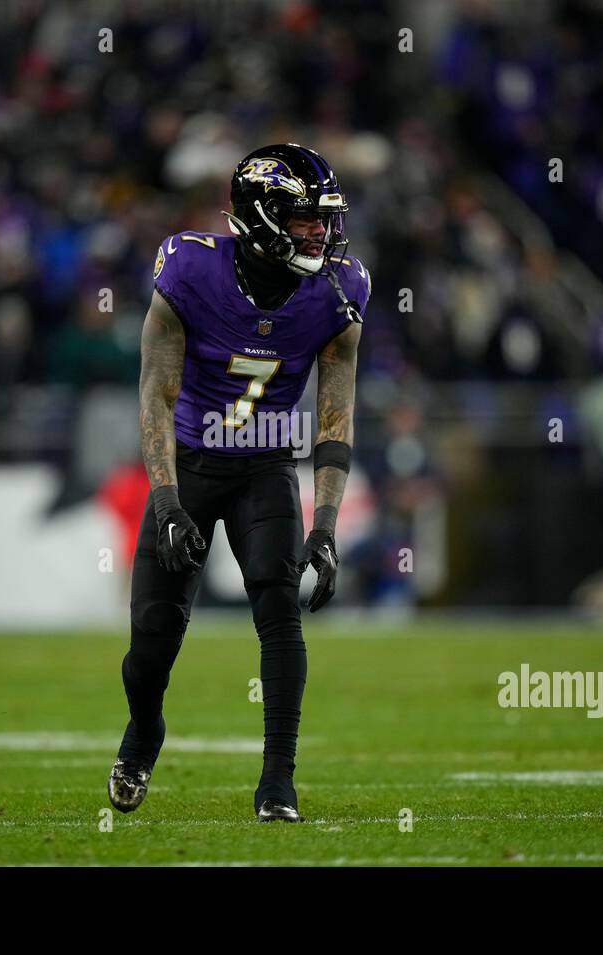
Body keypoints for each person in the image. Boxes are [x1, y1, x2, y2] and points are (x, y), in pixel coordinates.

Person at [109, 143, 371, 822]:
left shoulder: (340, 288)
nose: (320, 232)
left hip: (264, 466)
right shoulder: (191, 268)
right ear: (260, 217)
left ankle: (277, 781)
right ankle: (144, 730)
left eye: (324, 219)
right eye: (305, 218)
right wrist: (164, 496)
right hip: (190, 465)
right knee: (149, 646)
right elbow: (155, 395)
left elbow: (337, 416)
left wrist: (326, 525)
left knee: (280, 616)